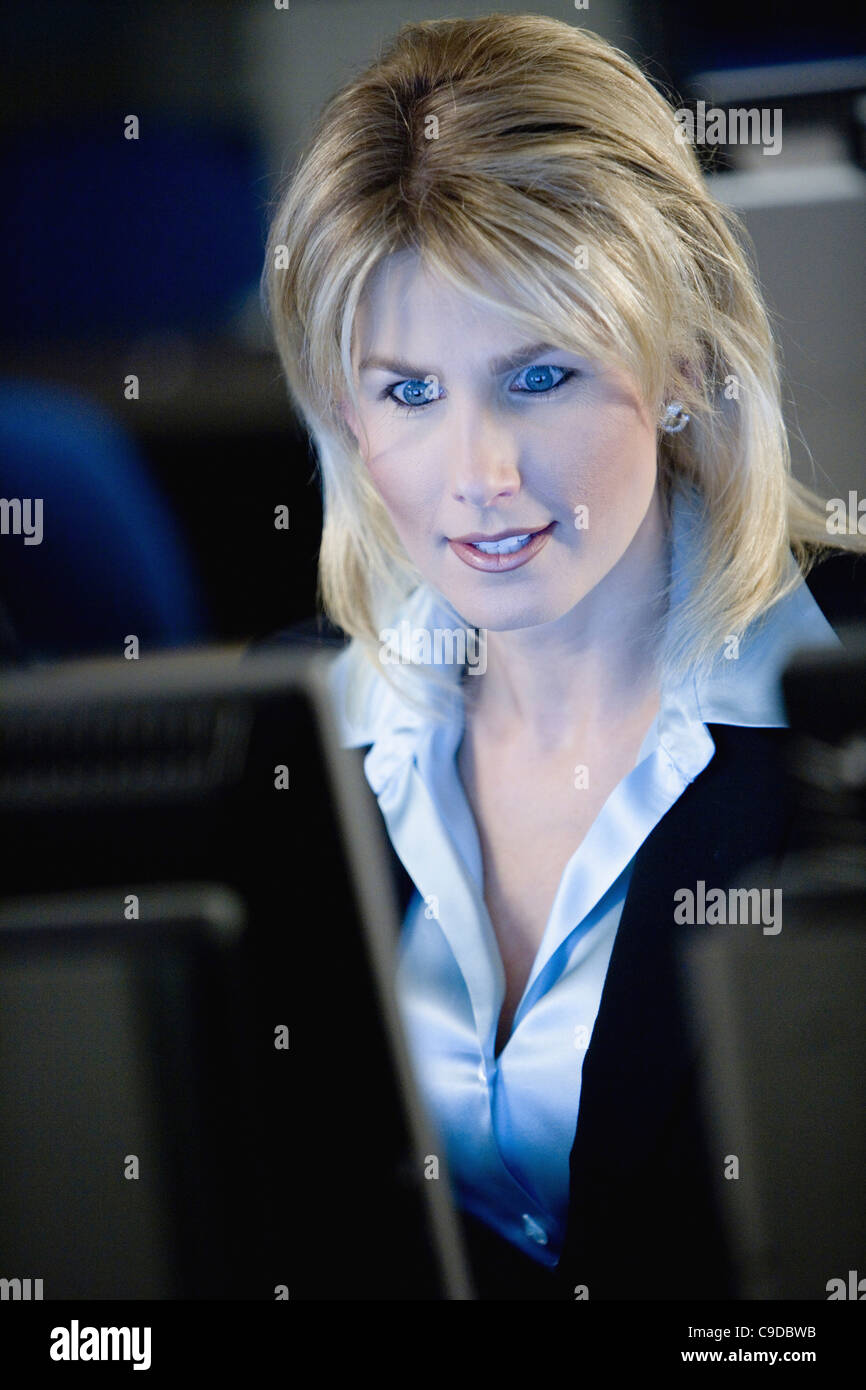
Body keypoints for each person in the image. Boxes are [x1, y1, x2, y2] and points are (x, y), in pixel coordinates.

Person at [261, 14, 866, 1299]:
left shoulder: (840, 694)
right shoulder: (291, 723)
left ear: (680, 363)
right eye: (407, 393)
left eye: (536, 376)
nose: (477, 480)